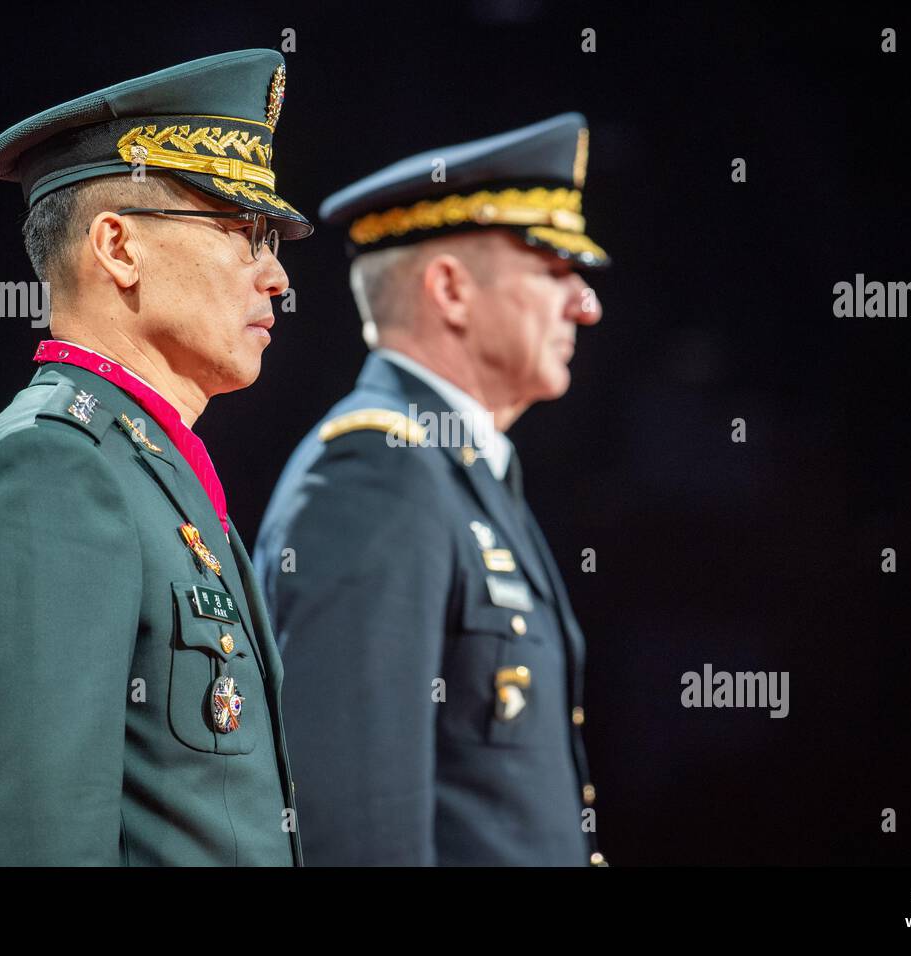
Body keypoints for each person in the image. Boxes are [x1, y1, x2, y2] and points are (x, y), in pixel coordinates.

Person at [0, 49, 311, 865]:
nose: (275, 276)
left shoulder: (148, 470)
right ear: (117, 246)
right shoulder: (50, 467)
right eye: (242, 232)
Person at [254, 113, 610, 865]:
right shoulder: (376, 476)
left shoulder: (457, 472)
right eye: (553, 269)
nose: (586, 304)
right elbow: (353, 827)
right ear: (449, 288)